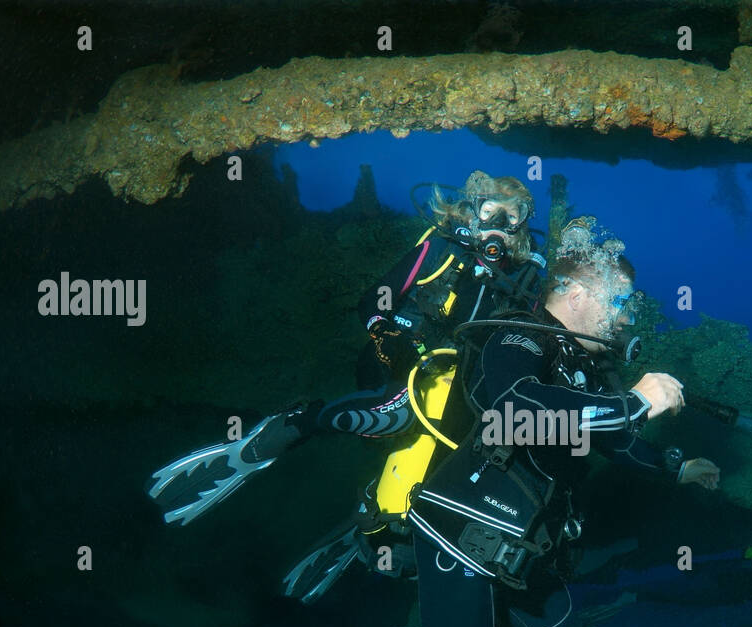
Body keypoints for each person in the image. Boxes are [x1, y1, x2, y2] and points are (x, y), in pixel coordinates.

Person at [198, 223, 720, 627]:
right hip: (460, 527)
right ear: (576, 293)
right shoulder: (513, 339)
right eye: (621, 303)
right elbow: (515, 412)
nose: (629, 320)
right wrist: (634, 402)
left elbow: (603, 435)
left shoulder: (578, 367)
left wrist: (672, 466)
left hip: (521, 546)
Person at [147, 171, 546, 527]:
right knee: (396, 419)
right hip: (396, 362)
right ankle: (296, 425)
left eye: (512, 216)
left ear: (522, 228)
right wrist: (385, 333)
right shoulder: (442, 251)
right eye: (490, 210)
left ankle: (376, 522)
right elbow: (375, 299)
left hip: (454, 389)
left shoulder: (522, 287)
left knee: (455, 460)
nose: (498, 224)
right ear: (472, 212)